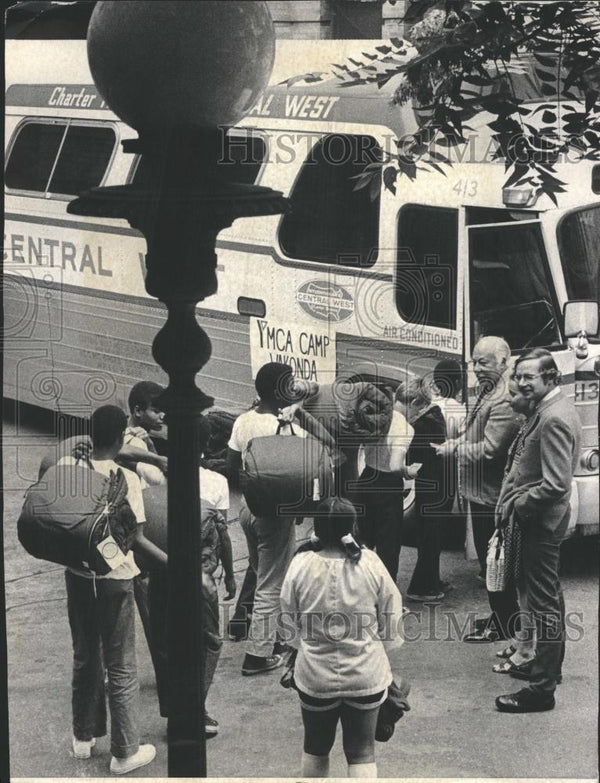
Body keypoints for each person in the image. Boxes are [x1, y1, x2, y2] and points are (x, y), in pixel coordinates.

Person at [60, 405, 167, 775]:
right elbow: (135, 538)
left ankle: (83, 738)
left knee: (85, 653)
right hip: (115, 579)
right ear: (122, 437)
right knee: (121, 665)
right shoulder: (127, 479)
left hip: (77, 575)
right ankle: (124, 752)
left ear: (89, 435)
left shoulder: (69, 470)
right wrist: (172, 563)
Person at [280, 497, 404, 778]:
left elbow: (287, 619)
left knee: (315, 747)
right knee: (362, 752)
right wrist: (379, 647)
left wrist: (301, 645)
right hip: (366, 674)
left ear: (317, 527)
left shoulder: (301, 563)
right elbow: (391, 613)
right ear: (353, 525)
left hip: (315, 676)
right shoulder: (370, 562)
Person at [227, 362, 334, 676]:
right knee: (271, 585)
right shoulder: (291, 426)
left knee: (262, 572)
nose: (296, 389)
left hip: (248, 509)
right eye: (291, 385)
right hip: (276, 515)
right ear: (280, 390)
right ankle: (257, 655)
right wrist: (299, 413)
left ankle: (272, 639)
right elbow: (329, 445)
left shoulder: (244, 421)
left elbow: (232, 464)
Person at [495, 349, 581, 712]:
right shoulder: (546, 410)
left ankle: (542, 689)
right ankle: (545, 667)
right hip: (541, 521)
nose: (521, 383)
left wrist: (519, 504)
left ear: (551, 378)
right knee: (548, 597)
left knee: (544, 604)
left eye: (529, 377)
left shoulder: (553, 418)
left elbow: (556, 484)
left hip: (540, 523)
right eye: (519, 376)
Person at [144, 416, 236, 735]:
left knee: (167, 641)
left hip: (160, 569)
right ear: (207, 445)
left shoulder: (155, 476)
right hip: (201, 575)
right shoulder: (215, 482)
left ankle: (176, 712)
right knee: (208, 640)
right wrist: (231, 574)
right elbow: (219, 534)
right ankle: (194, 709)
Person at [433, 336, 521, 641]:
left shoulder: (504, 400)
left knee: (496, 563)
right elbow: (475, 434)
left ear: (504, 362)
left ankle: (505, 623)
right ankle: (502, 617)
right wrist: (458, 442)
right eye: (474, 362)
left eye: (483, 362)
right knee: (492, 563)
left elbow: (491, 449)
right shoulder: (490, 392)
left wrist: (454, 451)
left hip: (490, 497)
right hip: (481, 494)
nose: (477, 368)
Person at [492, 378, 537, 675]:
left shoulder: (533, 429)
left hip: (521, 514)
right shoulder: (526, 426)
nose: (509, 400)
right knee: (519, 583)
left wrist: (507, 506)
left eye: (513, 395)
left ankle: (526, 649)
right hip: (513, 513)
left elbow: (518, 476)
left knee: (525, 586)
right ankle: (522, 640)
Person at [353, 388, 418, 583]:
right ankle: (385, 598)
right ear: (414, 402)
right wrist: (409, 471)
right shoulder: (404, 426)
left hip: (366, 478)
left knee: (362, 541)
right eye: (420, 408)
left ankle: (357, 590)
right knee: (388, 547)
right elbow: (395, 466)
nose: (418, 414)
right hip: (388, 485)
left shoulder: (375, 416)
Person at [395, 376, 447, 601]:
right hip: (439, 484)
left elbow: (416, 457)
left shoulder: (422, 426)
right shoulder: (435, 417)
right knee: (431, 536)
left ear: (415, 402)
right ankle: (429, 581)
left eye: (403, 408)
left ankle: (423, 586)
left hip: (430, 486)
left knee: (429, 535)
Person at [121, 381, 168, 488]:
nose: (163, 416)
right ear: (138, 411)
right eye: (156, 411)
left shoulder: (146, 438)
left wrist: (150, 445)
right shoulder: (135, 440)